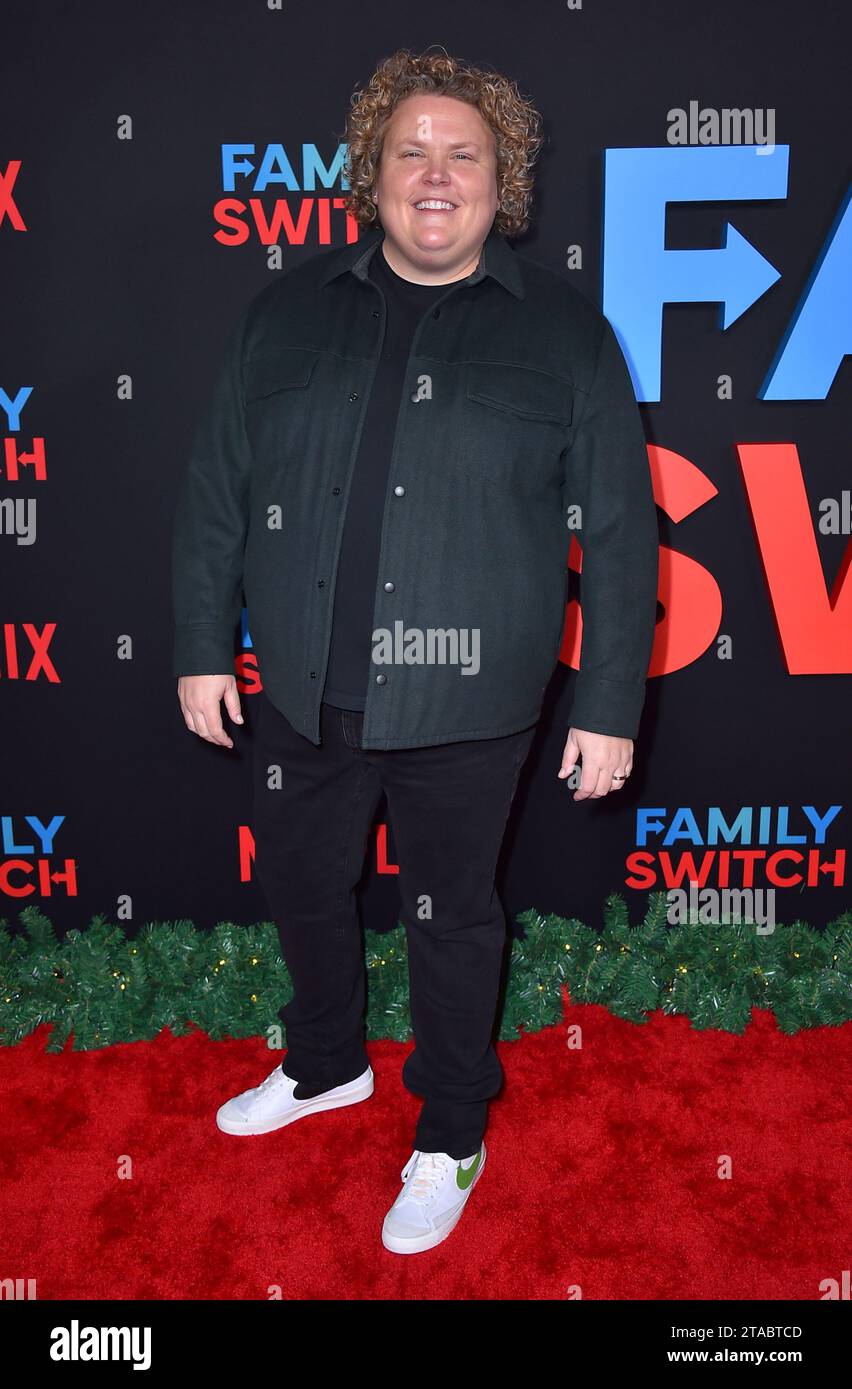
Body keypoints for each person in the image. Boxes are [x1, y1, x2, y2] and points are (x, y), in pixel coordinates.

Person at [171, 47, 659, 1256]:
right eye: (411, 152)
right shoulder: (282, 315)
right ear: (371, 175)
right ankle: (327, 1062)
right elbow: (216, 497)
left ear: (506, 184)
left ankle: (449, 1129)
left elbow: (619, 529)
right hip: (294, 687)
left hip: (473, 702)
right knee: (299, 885)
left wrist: (609, 706)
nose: (435, 175)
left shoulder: (567, 335)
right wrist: (196, 645)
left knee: (451, 918)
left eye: (465, 155)